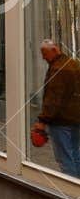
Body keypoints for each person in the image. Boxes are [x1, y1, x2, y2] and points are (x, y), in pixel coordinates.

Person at [36, 39, 80, 179]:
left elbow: (53, 99)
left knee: (65, 159)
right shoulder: (74, 64)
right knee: (75, 155)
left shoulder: (58, 69)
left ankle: (71, 193)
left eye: (44, 53)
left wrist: (42, 120)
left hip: (61, 121)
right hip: (76, 119)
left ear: (55, 50)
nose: (43, 57)